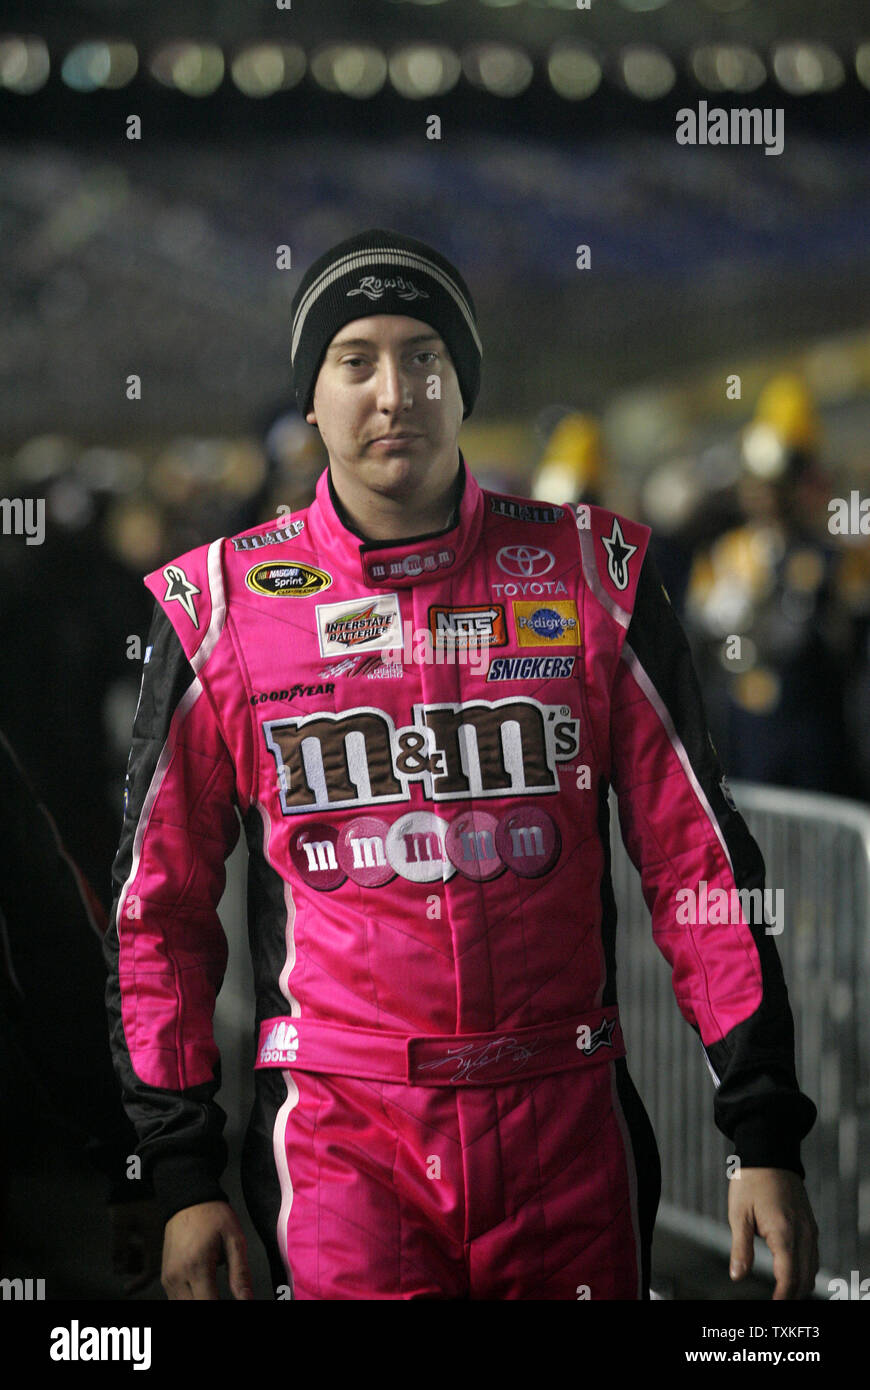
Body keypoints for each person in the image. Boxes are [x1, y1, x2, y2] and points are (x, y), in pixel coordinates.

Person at [105, 229, 818, 1301]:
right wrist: (181, 1171)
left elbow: (701, 868)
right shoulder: (217, 613)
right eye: (355, 360)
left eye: (424, 357)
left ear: (463, 383)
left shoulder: (599, 577)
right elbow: (158, 909)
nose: (393, 392)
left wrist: (762, 1131)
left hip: (567, 1130)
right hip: (341, 1145)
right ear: (312, 397)